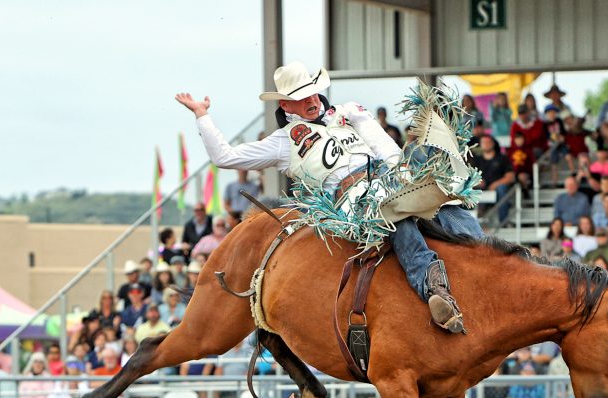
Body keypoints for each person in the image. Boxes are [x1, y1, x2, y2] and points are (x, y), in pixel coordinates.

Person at [177, 62, 480, 334]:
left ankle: (485, 257)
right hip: (352, 200)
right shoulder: (283, 143)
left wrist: (402, 176)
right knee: (393, 217)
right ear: (286, 105)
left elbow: (381, 143)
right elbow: (225, 157)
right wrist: (202, 116)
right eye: (301, 98)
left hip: (388, 178)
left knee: (449, 204)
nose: (310, 100)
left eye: (311, 93)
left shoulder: (348, 112)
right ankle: (431, 286)